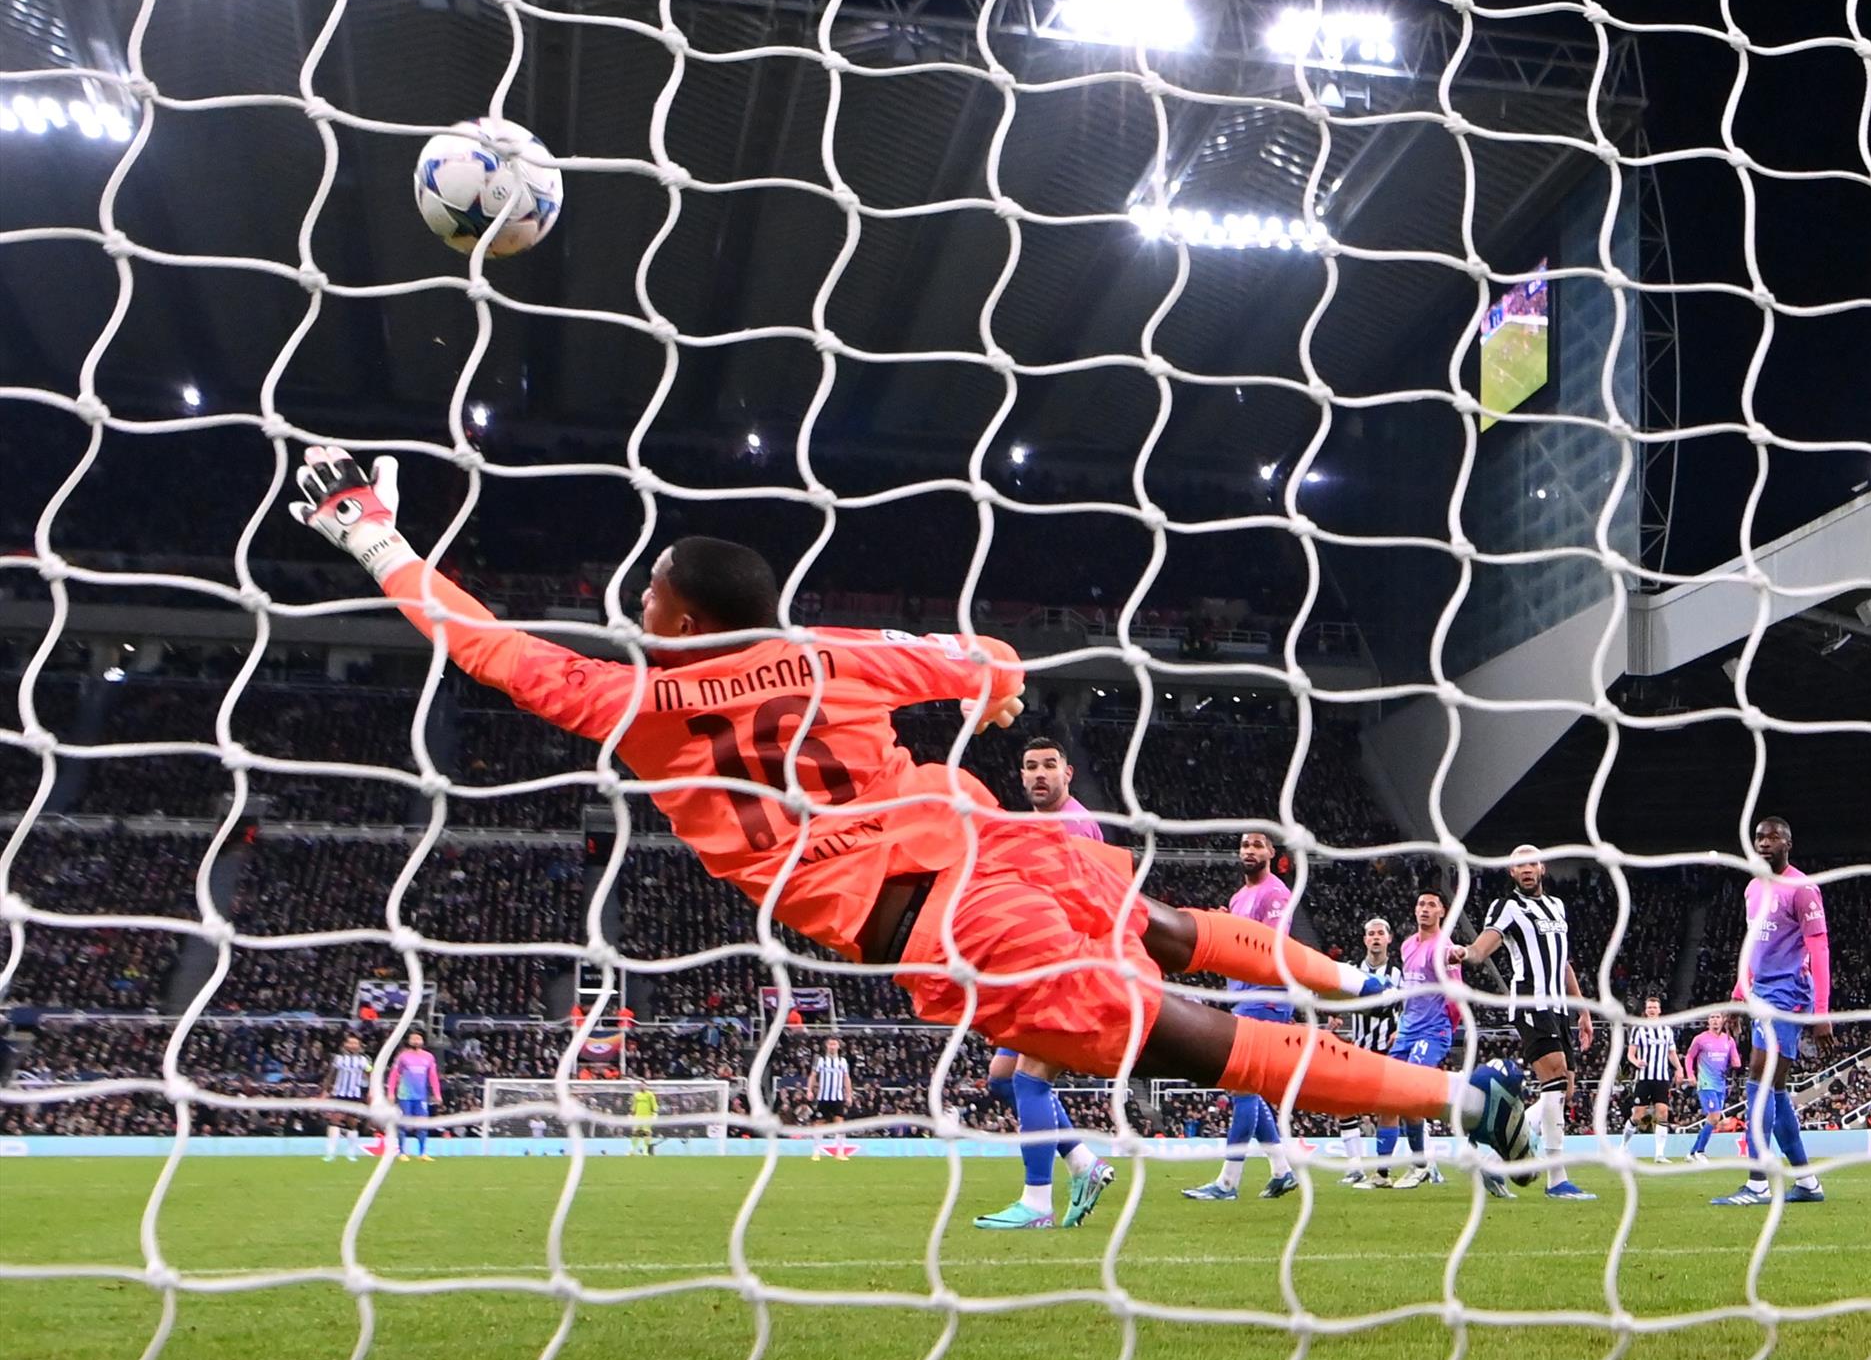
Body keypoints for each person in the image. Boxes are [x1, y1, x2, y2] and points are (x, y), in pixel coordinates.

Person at [284, 448, 1532, 1170]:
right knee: (1155, 926)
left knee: (1179, 1039)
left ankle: (1467, 1105)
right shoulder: (833, 652)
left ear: (682, 619)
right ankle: (1356, 989)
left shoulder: (631, 705)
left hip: (937, 915)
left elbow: (487, 647)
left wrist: (376, 542)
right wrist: (991, 693)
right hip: (982, 833)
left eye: (654, 589)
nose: (642, 599)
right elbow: (984, 659)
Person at [977, 738, 1116, 1230]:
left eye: (1049, 766)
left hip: (1068, 971)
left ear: (1068, 773)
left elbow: (1083, 906)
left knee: (1029, 1080)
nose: (1040, 774)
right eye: (1030, 765)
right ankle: (1083, 1162)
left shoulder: (1073, 826)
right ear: (1020, 775)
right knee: (1001, 1077)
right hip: (1042, 970)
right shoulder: (1041, 825)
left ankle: (1037, 1203)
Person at [1455, 848, 1596, 1199]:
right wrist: (1465, 953)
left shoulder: (1557, 907)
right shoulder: (1508, 907)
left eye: (1532, 863)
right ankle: (1556, 1180)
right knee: (1555, 1080)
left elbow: (1563, 962)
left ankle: (1491, 1161)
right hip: (1532, 1001)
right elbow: (1483, 946)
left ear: (1542, 868)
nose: (1527, 869)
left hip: (1561, 1007)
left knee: (1565, 1090)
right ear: (1512, 872)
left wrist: (1582, 1009)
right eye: (1519, 864)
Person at [1712, 818, 1831, 1207]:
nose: (1765, 843)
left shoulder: (1802, 889)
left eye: (1773, 837)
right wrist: (1737, 993)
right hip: (1760, 994)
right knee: (1774, 1091)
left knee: (1759, 1081)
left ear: (1788, 844)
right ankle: (1808, 1182)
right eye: (1760, 836)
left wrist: (1822, 1012)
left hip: (1788, 997)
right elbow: (1753, 946)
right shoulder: (1752, 889)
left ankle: (1758, 1182)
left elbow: (1819, 950)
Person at [1185, 831, 1305, 1201]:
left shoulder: (1275, 893)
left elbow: (1270, 944)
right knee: (1245, 1086)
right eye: (1244, 845)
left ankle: (1227, 1183)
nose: (1249, 851)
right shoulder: (1239, 897)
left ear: (1271, 852)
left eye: (1257, 845)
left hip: (1267, 995)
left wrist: (1231, 932)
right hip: (1242, 995)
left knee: (1241, 1083)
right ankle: (1282, 1170)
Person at [1373, 888, 1467, 1191]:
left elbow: (1456, 994)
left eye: (1431, 905)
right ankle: (1382, 1173)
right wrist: (1401, 1027)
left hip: (1433, 1031)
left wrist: (1446, 1028)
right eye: (1421, 904)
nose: (1424, 909)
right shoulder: (1407, 946)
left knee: (1411, 1092)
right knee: (1387, 1095)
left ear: (1442, 912)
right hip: (1407, 1030)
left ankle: (1420, 1165)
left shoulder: (1444, 947)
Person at [1334, 918, 1399, 1183]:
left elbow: (1414, 1004)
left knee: (1391, 1109)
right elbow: (1337, 993)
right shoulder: (1354, 970)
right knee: (1343, 1103)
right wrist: (1334, 1015)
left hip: (1390, 1049)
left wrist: (1402, 1029)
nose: (1375, 937)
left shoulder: (1399, 972)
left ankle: (1384, 1170)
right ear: (1364, 940)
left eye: (1379, 933)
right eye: (1370, 934)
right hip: (1360, 1050)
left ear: (1388, 939)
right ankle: (1355, 1167)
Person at [1624, 997, 1678, 1163]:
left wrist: (1680, 1068)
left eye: (1655, 1007)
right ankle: (1623, 1146)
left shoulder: (1667, 1030)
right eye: (1649, 1008)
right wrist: (1636, 1062)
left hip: (1661, 1078)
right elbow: (1630, 1054)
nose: (1652, 1010)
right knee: (1638, 1114)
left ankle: (1659, 1154)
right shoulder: (1639, 1030)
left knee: (1663, 1112)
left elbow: (1671, 1053)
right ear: (1646, 1011)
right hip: (1644, 1078)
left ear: (1659, 1010)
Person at [1683, 1013, 1743, 1160]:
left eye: (1718, 1017)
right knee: (1715, 1116)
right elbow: (1689, 1056)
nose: (1715, 1020)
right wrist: (1690, 1074)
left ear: (1722, 1021)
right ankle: (1700, 1152)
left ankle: (1692, 1153)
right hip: (1705, 1083)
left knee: (1713, 1117)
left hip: (1720, 1084)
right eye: (1712, 1017)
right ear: (1708, 1021)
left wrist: (1736, 1061)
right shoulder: (1700, 1039)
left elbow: (1736, 1061)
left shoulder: (1728, 1040)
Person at [390, 1030, 441, 1161]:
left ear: (422, 1041)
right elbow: (394, 1075)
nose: (416, 1041)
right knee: (404, 1123)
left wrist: (437, 1093)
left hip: (421, 1096)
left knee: (423, 1124)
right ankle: (402, 1152)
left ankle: (422, 1153)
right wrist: (390, 1092)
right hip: (405, 1094)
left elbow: (433, 1076)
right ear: (409, 1041)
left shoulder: (429, 1057)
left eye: (418, 1039)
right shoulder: (402, 1056)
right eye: (413, 1039)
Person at [323, 1032, 370, 1162]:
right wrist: (325, 1091)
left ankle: (351, 1153)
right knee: (335, 1120)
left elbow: (370, 1073)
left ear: (359, 1046)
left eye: (355, 1043)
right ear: (345, 1045)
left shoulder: (363, 1060)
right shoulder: (338, 1059)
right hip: (339, 1093)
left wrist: (371, 1091)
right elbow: (331, 1075)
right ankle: (330, 1153)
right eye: (350, 1043)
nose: (353, 1045)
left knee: (352, 1123)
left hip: (354, 1094)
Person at [808, 1036, 851, 1161]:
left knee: (840, 1124)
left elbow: (846, 1078)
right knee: (819, 1124)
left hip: (837, 1097)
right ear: (826, 1046)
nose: (832, 1046)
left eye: (834, 1044)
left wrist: (848, 1095)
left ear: (838, 1046)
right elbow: (813, 1075)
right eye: (830, 1044)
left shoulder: (842, 1061)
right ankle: (816, 1152)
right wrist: (809, 1090)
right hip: (824, 1097)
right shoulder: (821, 1060)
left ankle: (840, 1152)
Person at [630, 1079, 660, 1157]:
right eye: (640, 1085)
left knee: (646, 1133)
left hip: (647, 1117)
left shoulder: (650, 1095)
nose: (642, 1086)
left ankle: (645, 1151)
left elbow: (654, 1104)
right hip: (638, 1117)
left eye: (643, 1085)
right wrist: (631, 1113)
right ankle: (633, 1150)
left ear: (646, 1086)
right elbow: (634, 1105)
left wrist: (655, 1113)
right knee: (635, 1133)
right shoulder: (636, 1095)